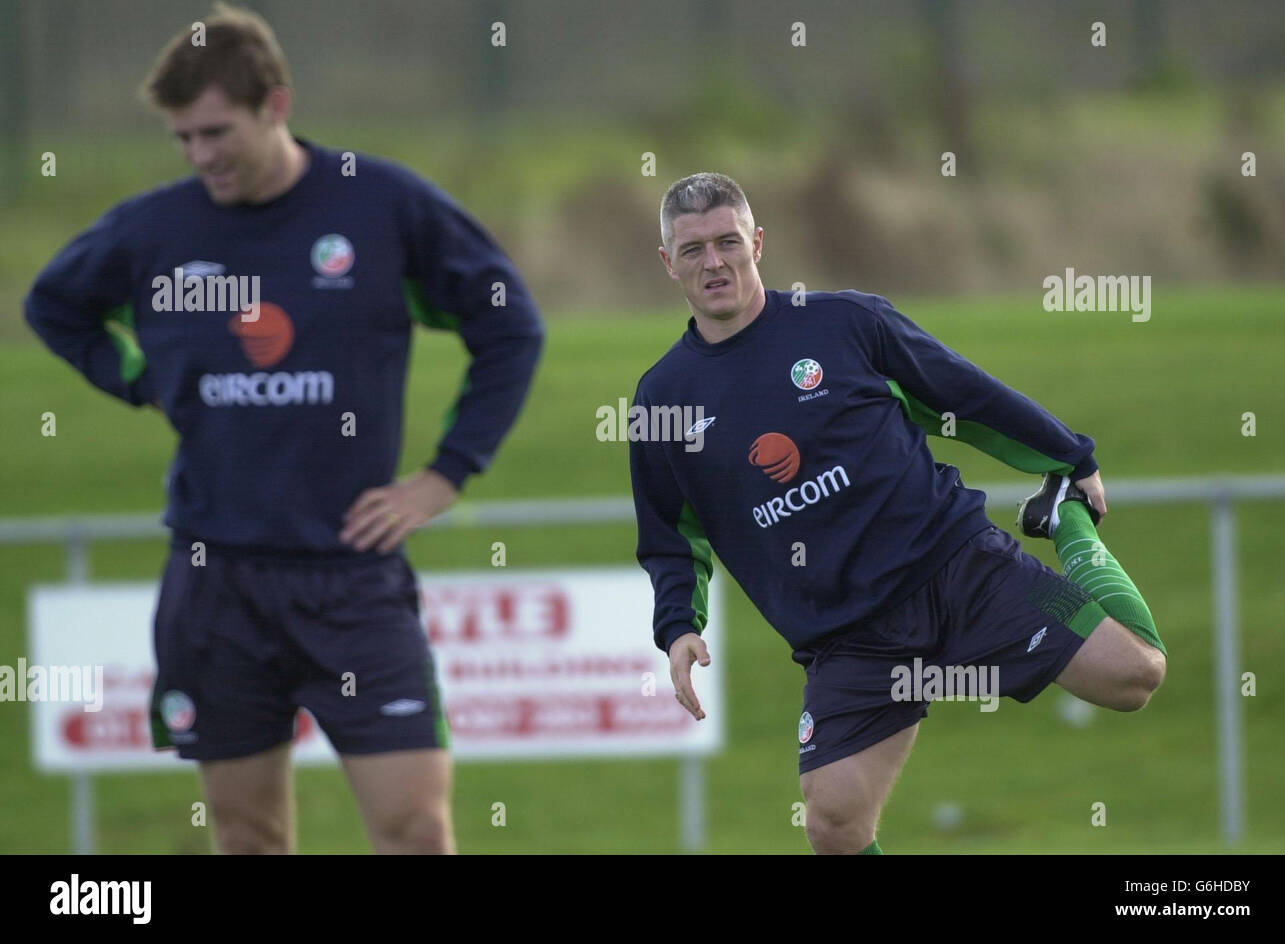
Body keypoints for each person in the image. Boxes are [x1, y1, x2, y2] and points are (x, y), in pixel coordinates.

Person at [24, 3, 544, 854]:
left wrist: (446, 473)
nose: (201, 156)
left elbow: (509, 323)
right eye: (183, 139)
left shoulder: (381, 204)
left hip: (353, 578)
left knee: (417, 829)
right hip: (215, 578)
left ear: (276, 103)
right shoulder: (156, 229)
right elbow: (54, 304)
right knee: (248, 840)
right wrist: (137, 379)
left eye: (216, 131)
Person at [629, 172, 1166, 855]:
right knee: (833, 823)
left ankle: (1066, 523)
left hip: (957, 569)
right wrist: (678, 627)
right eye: (693, 249)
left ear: (757, 243)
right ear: (666, 262)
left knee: (1135, 675)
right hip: (847, 637)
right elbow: (670, 534)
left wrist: (1067, 456)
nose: (714, 263)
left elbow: (963, 395)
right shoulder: (662, 401)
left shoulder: (846, 324)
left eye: (727, 241)